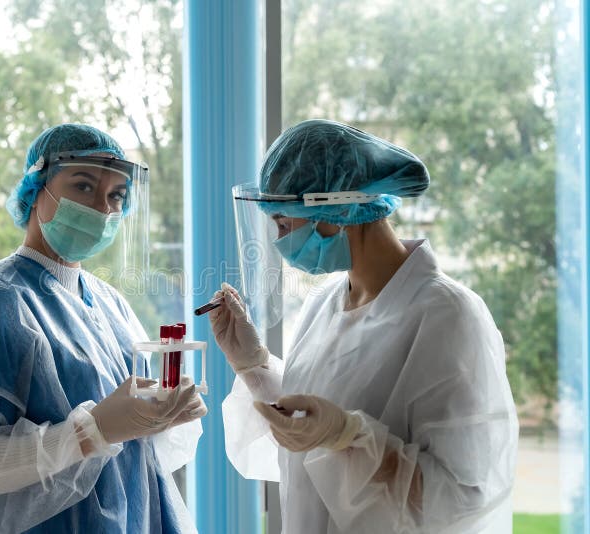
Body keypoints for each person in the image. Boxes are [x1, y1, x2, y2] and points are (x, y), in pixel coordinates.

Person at [212, 119, 518, 533]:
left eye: (284, 225)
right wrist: (254, 366)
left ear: (336, 209)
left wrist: (350, 435)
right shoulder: (325, 304)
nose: (280, 241)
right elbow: (305, 440)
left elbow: (464, 498)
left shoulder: (448, 315)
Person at [0, 124, 206, 534]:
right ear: (36, 189)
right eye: (84, 186)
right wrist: (89, 432)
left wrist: (163, 417)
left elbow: (134, 456)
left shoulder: (110, 305)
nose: (102, 209)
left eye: (116, 195)